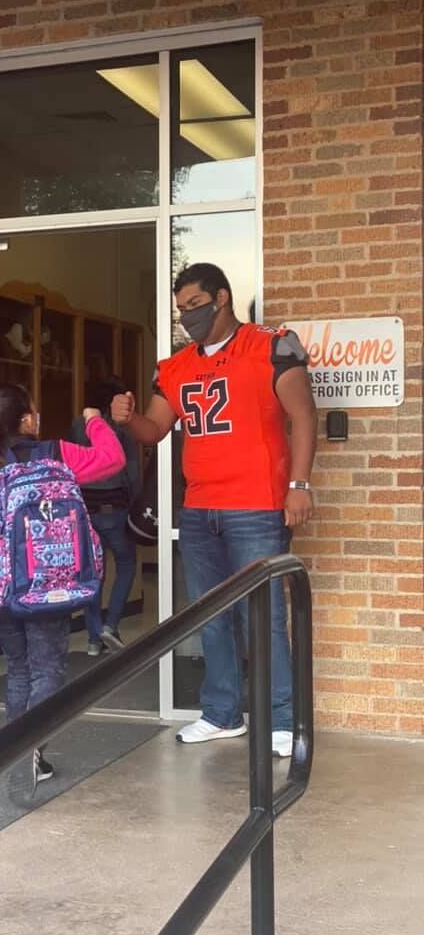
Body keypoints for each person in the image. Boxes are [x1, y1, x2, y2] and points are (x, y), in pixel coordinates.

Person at [111, 263, 317, 759]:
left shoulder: (270, 345)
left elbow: (303, 414)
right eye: (182, 310)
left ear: (222, 298)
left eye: (196, 306)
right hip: (200, 508)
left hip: (256, 505)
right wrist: (127, 419)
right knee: (212, 616)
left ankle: (282, 719)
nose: (189, 317)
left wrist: (299, 484)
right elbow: (155, 431)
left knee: (264, 616)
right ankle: (223, 714)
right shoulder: (176, 366)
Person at [0, 383, 125, 784]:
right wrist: (94, 422)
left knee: (19, 670)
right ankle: (30, 750)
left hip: (1, 588)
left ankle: (14, 752)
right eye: (33, 410)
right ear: (25, 420)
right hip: (49, 585)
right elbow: (113, 459)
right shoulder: (56, 453)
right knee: (49, 671)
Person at [69, 377, 140, 657]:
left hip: (86, 510)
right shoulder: (120, 428)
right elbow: (132, 471)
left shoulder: (78, 424)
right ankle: (111, 625)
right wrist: (137, 504)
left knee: (93, 572)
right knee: (126, 563)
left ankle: (93, 638)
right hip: (116, 509)